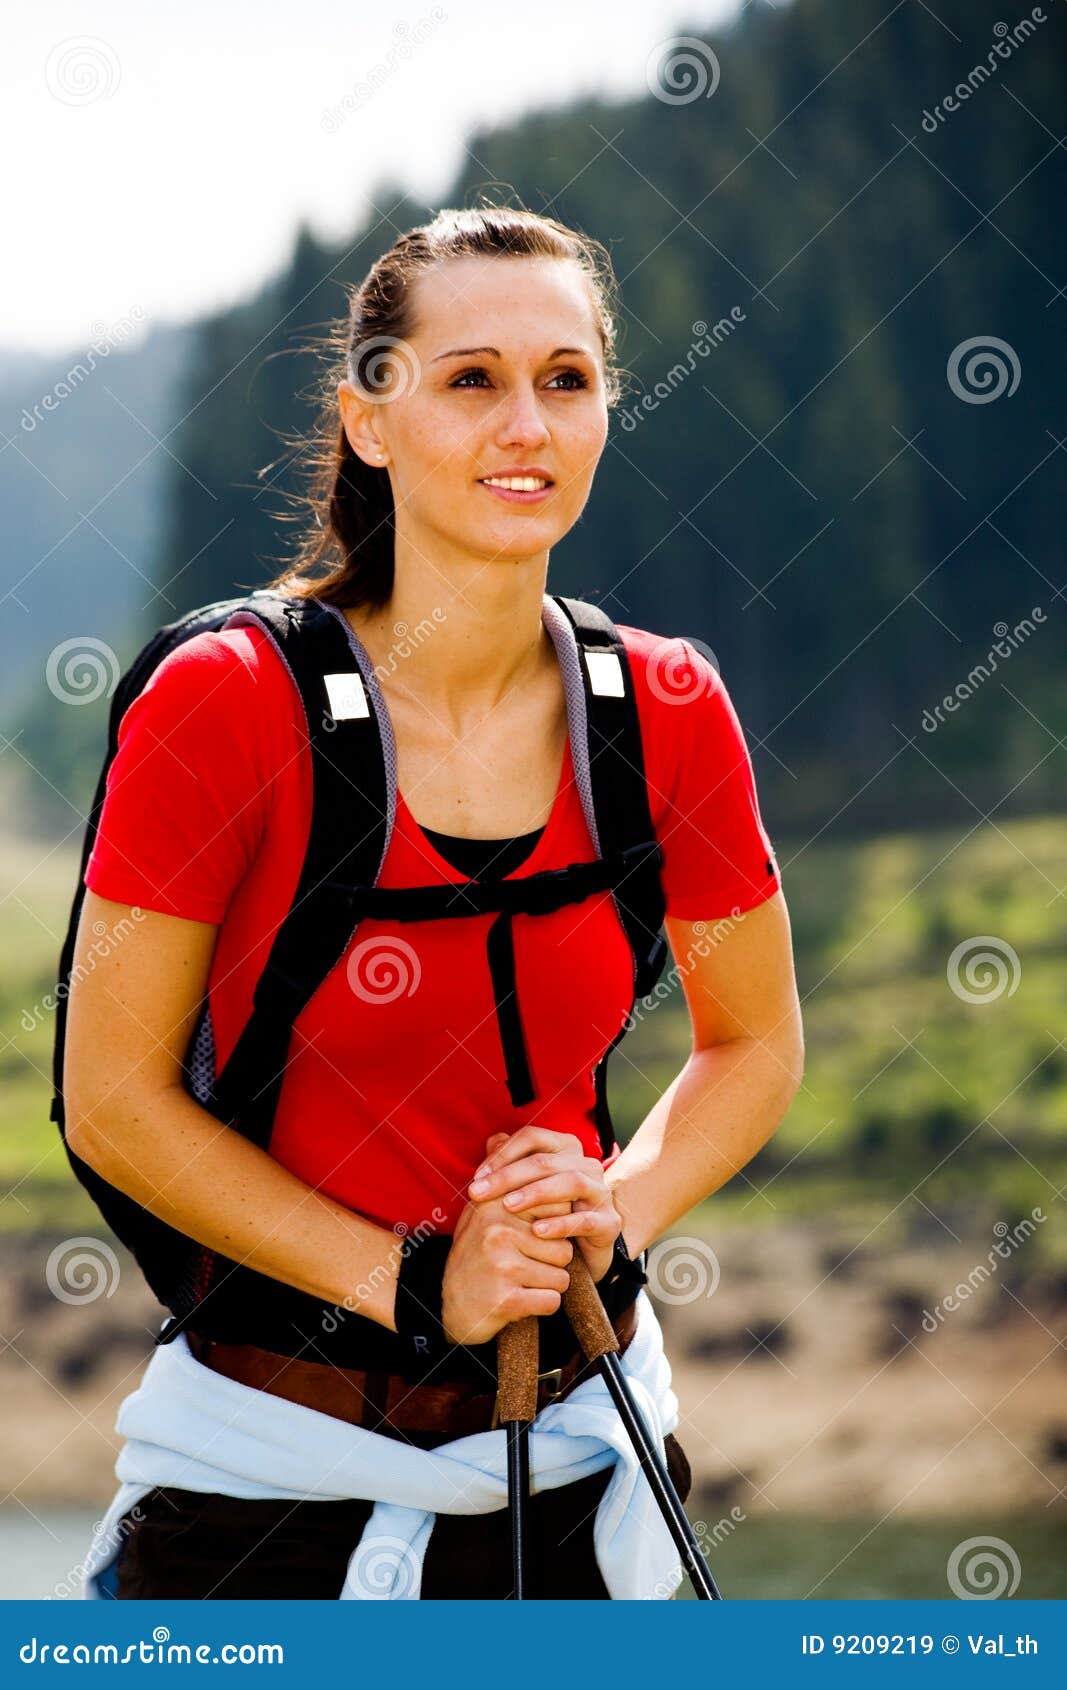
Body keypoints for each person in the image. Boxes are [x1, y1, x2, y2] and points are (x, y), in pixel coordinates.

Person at [64, 204, 804, 1599]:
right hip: (261, 1511)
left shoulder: (669, 707)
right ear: (370, 419)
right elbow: (110, 1101)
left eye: (566, 379)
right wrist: (416, 1283)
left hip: (588, 1484)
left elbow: (755, 1043)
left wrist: (613, 1208)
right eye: (471, 379)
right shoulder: (227, 703)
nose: (526, 424)